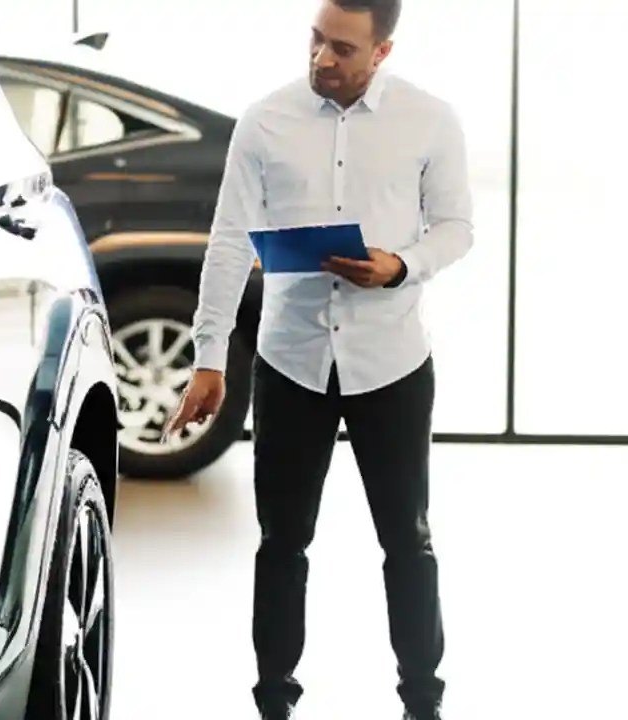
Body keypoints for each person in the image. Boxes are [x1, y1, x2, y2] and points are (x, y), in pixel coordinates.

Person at [164, 0, 473, 718]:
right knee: (281, 543)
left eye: (342, 49)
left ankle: (422, 703)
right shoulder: (264, 119)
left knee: (407, 540)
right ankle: (273, 701)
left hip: (390, 361)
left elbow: (457, 227)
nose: (321, 60)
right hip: (290, 362)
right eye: (315, 40)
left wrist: (401, 264)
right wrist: (209, 356)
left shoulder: (430, 120)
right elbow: (228, 240)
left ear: (382, 53)